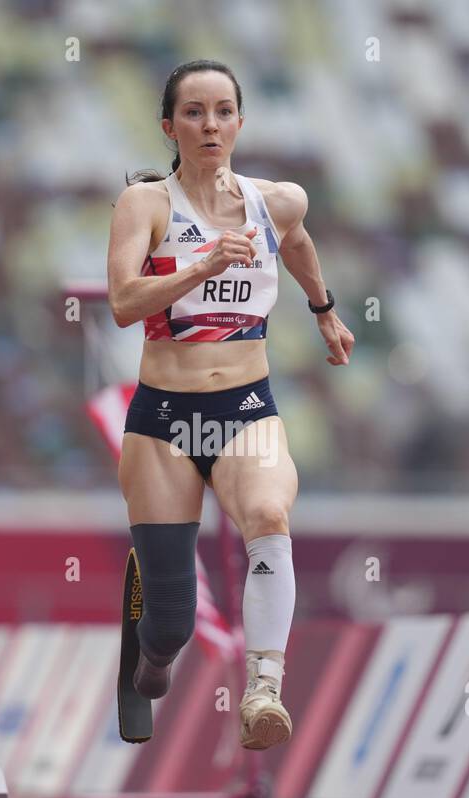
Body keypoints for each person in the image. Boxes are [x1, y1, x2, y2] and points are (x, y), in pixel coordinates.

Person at [106, 59, 354, 749]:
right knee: (171, 625)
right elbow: (125, 302)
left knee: (271, 514)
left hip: (246, 409)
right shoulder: (146, 205)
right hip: (164, 420)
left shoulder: (276, 201)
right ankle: (145, 658)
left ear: (241, 123)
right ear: (169, 126)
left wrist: (324, 310)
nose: (209, 125)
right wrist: (202, 266)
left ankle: (264, 689)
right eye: (193, 112)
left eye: (223, 111)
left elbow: (297, 243)